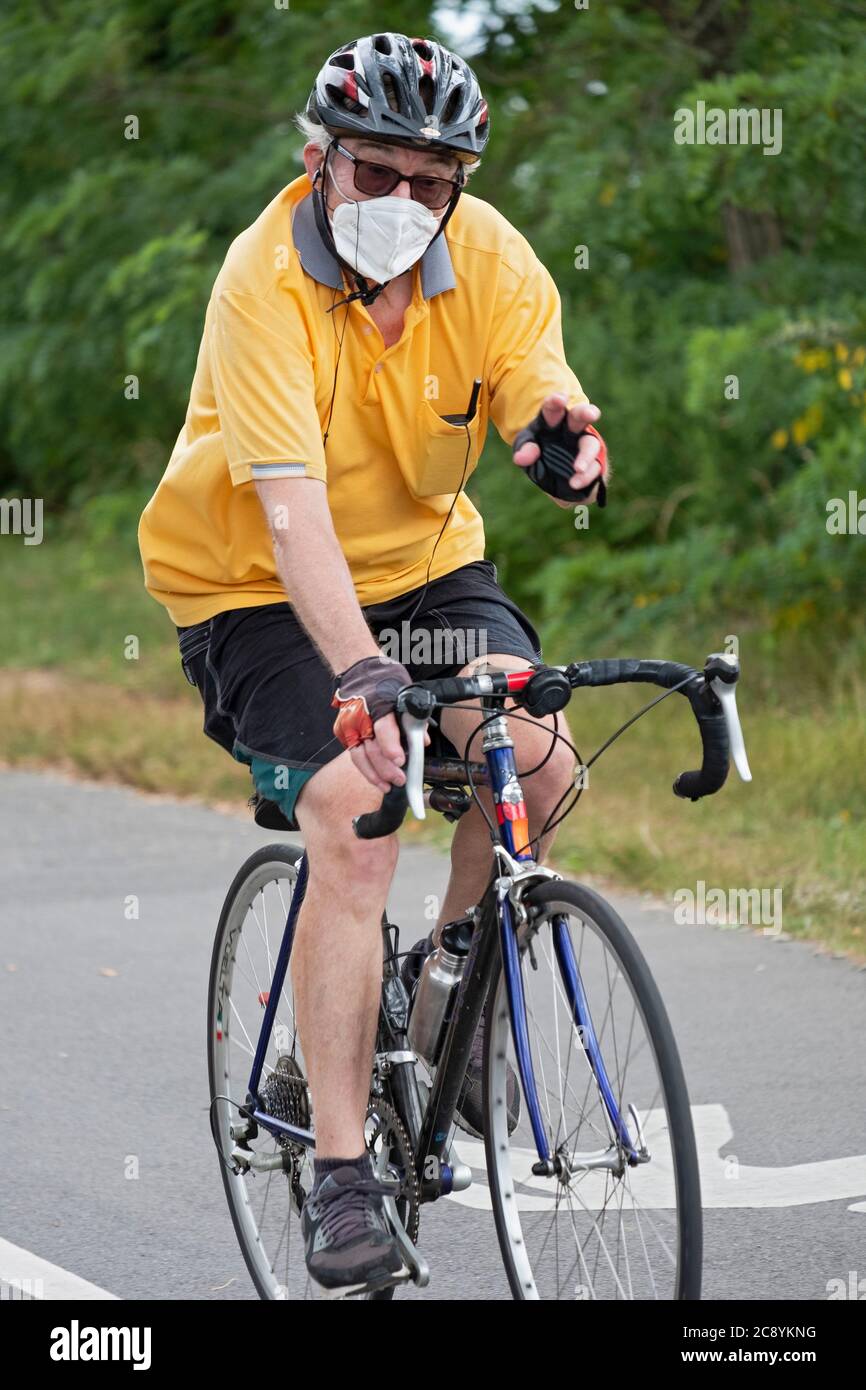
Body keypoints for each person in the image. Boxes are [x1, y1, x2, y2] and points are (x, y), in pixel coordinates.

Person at [139, 31, 609, 1296]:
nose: (405, 204)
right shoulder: (261, 282)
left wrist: (558, 435)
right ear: (320, 161)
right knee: (358, 806)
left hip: (426, 566)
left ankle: (446, 989)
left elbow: (533, 380)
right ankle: (342, 1172)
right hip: (254, 585)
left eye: (432, 180)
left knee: (540, 763)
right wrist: (360, 680)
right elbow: (291, 518)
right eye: (378, 175)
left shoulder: (493, 256)